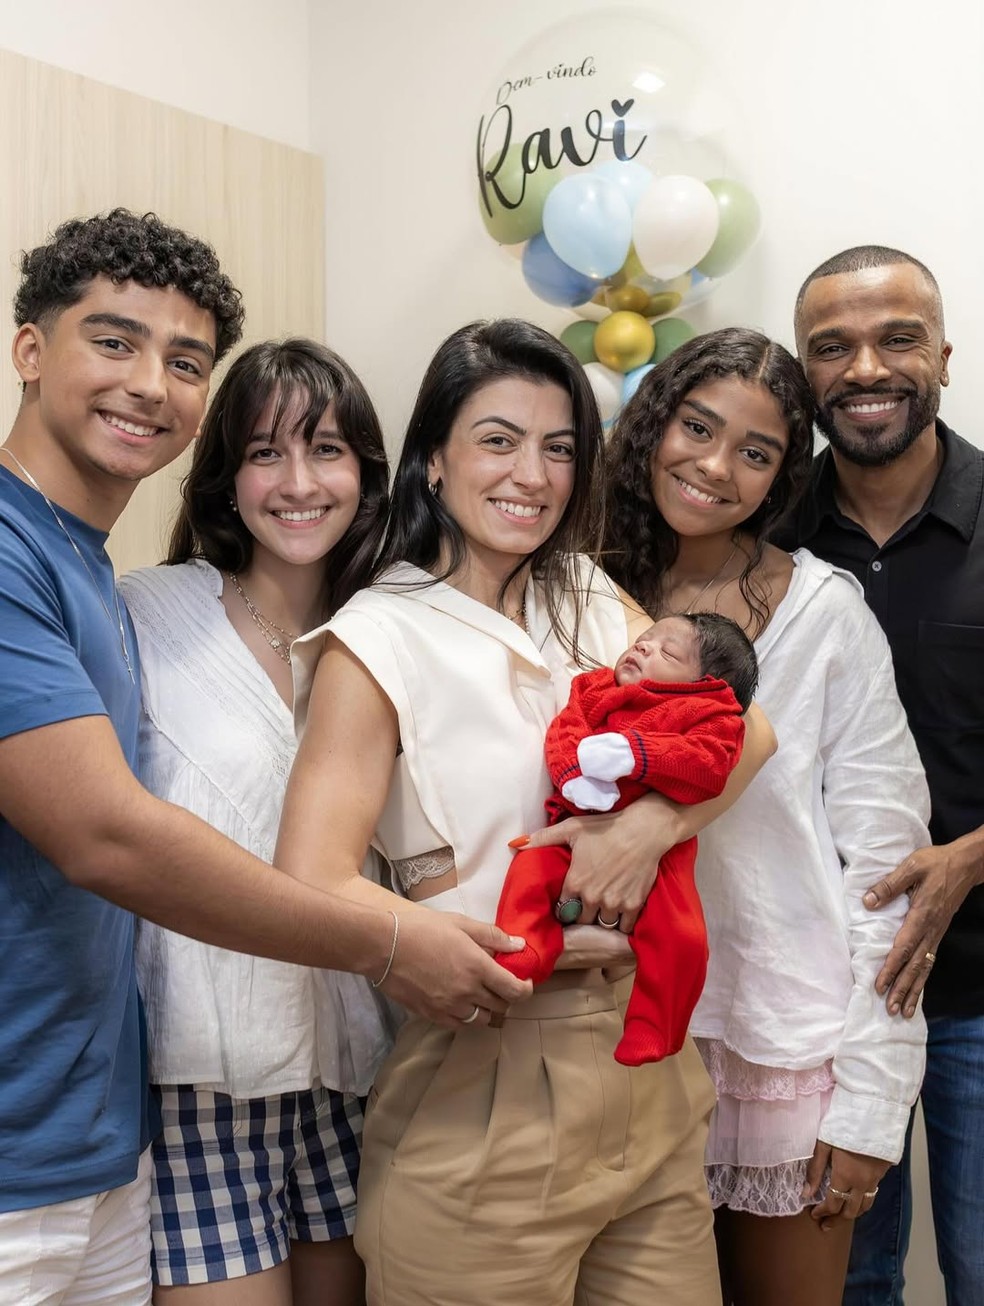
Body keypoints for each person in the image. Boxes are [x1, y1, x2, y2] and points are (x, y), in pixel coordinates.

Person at [0, 210, 528, 1305]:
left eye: (184, 362)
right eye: (114, 341)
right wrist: (393, 940)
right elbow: (107, 834)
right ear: (30, 349)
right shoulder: (133, 598)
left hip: (219, 1098)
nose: (149, 383)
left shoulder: (391, 621)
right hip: (139, 1098)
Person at [276, 318, 777, 1306]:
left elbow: (746, 733)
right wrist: (468, 949)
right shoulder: (376, 637)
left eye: (559, 448)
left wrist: (643, 831)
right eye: (498, 439)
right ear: (433, 460)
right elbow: (308, 880)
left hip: (650, 1067)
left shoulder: (585, 592)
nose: (533, 475)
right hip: (488, 1070)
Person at [602, 326, 930, 1306]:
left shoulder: (823, 611)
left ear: (785, 477)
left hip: (777, 1044)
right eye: (697, 427)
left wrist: (870, 1104)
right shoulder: (572, 584)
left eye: (756, 451)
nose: (714, 466)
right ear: (653, 421)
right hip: (603, 1038)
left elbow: (886, 863)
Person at [119, 338, 396, 1303]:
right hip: (202, 1071)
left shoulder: (391, 626)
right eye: (264, 453)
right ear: (225, 477)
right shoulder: (145, 613)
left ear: (366, 469)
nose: (299, 483)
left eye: (326, 450)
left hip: (364, 1065)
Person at [785, 245, 984, 1305]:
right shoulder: (761, 538)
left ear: (944, 353)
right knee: (843, 1282)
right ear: (803, 371)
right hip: (819, 998)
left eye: (897, 336)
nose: (866, 366)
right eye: (832, 346)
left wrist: (969, 857)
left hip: (983, 993)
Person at [494, 611, 755, 1066]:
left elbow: (708, 767)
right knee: (530, 866)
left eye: (667, 652)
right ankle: (526, 947)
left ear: (705, 683)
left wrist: (637, 755)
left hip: (663, 852)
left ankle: (656, 1027)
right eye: (646, 639)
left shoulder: (712, 713)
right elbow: (565, 731)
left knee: (684, 936)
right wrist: (571, 774)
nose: (643, 647)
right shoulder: (595, 687)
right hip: (572, 820)